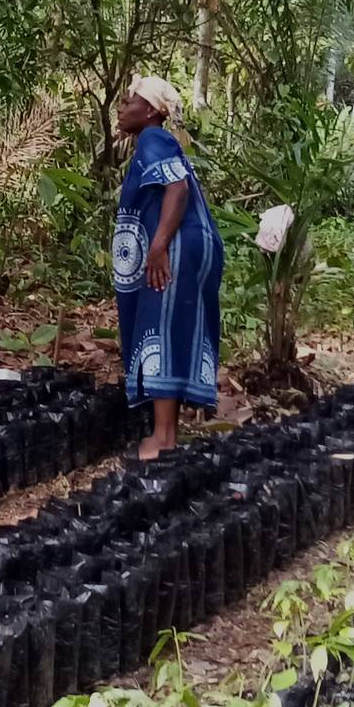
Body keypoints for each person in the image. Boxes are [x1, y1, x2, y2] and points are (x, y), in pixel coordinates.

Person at [113, 75, 223, 460]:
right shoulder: (158, 143)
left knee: (159, 329)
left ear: (152, 112)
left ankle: (162, 439)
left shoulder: (152, 139)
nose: (123, 107)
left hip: (176, 248)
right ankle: (167, 435)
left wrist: (158, 248)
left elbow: (177, 189)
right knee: (173, 331)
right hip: (193, 246)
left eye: (130, 101)